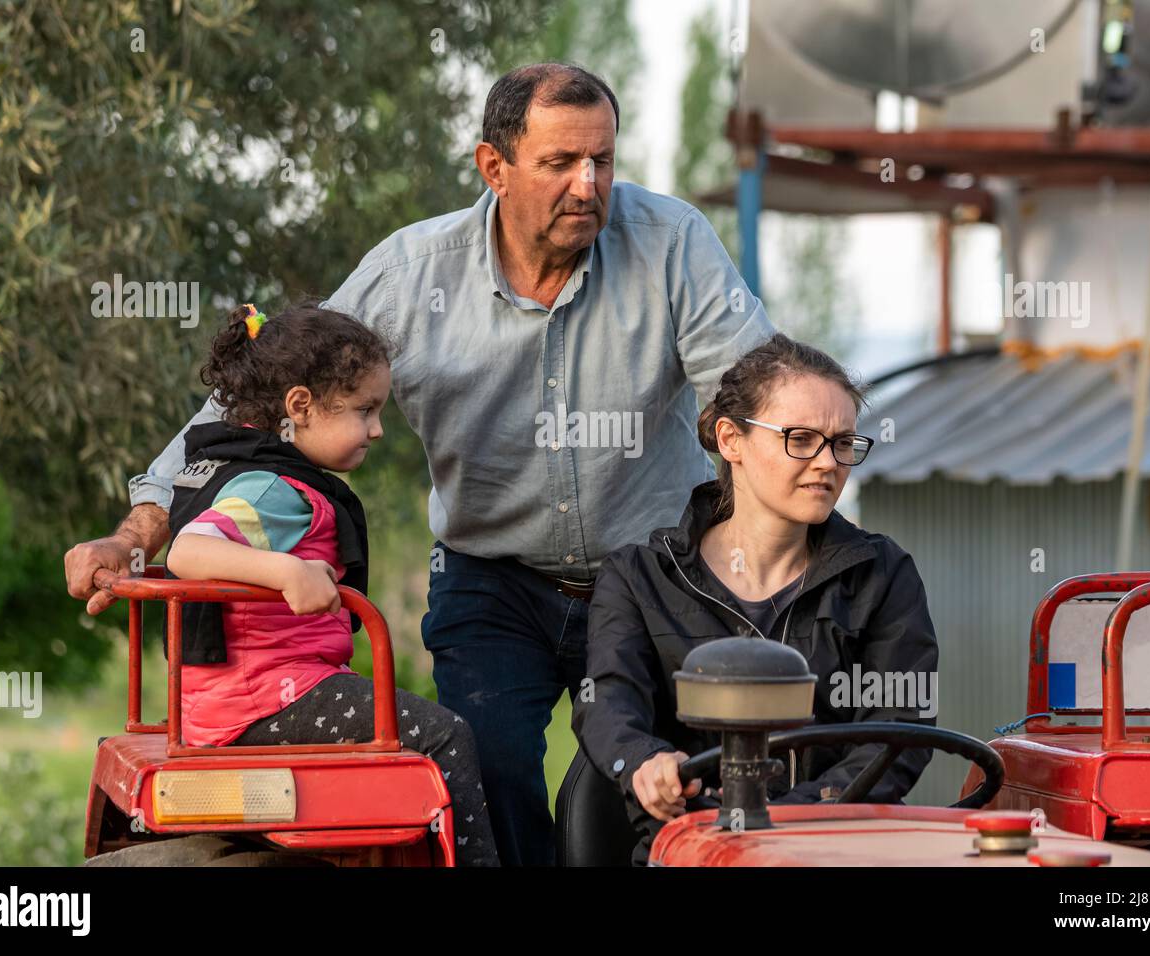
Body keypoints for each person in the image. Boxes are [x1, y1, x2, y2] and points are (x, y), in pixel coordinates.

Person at [64, 61, 774, 866]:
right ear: (492, 167)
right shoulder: (409, 276)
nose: (588, 184)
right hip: (492, 580)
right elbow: (252, 401)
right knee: (491, 767)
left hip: (649, 575)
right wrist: (136, 533)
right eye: (559, 163)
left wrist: (788, 510)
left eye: (602, 161)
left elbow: (756, 399)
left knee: (648, 787)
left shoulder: (672, 242)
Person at [572, 334, 939, 865]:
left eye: (842, 443)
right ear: (731, 440)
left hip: (830, 849)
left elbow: (897, 735)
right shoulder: (639, 577)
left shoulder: (884, 576)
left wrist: (791, 821)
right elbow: (608, 701)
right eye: (801, 438)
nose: (827, 462)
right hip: (690, 847)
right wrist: (646, 761)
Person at [157, 302, 498, 866]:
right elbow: (189, 551)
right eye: (365, 410)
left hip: (237, 696)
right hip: (262, 699)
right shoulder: (274, 488)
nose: (378, 428)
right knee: (446, 737)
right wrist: (287, 571)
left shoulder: (227, 465)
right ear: (301, 407)